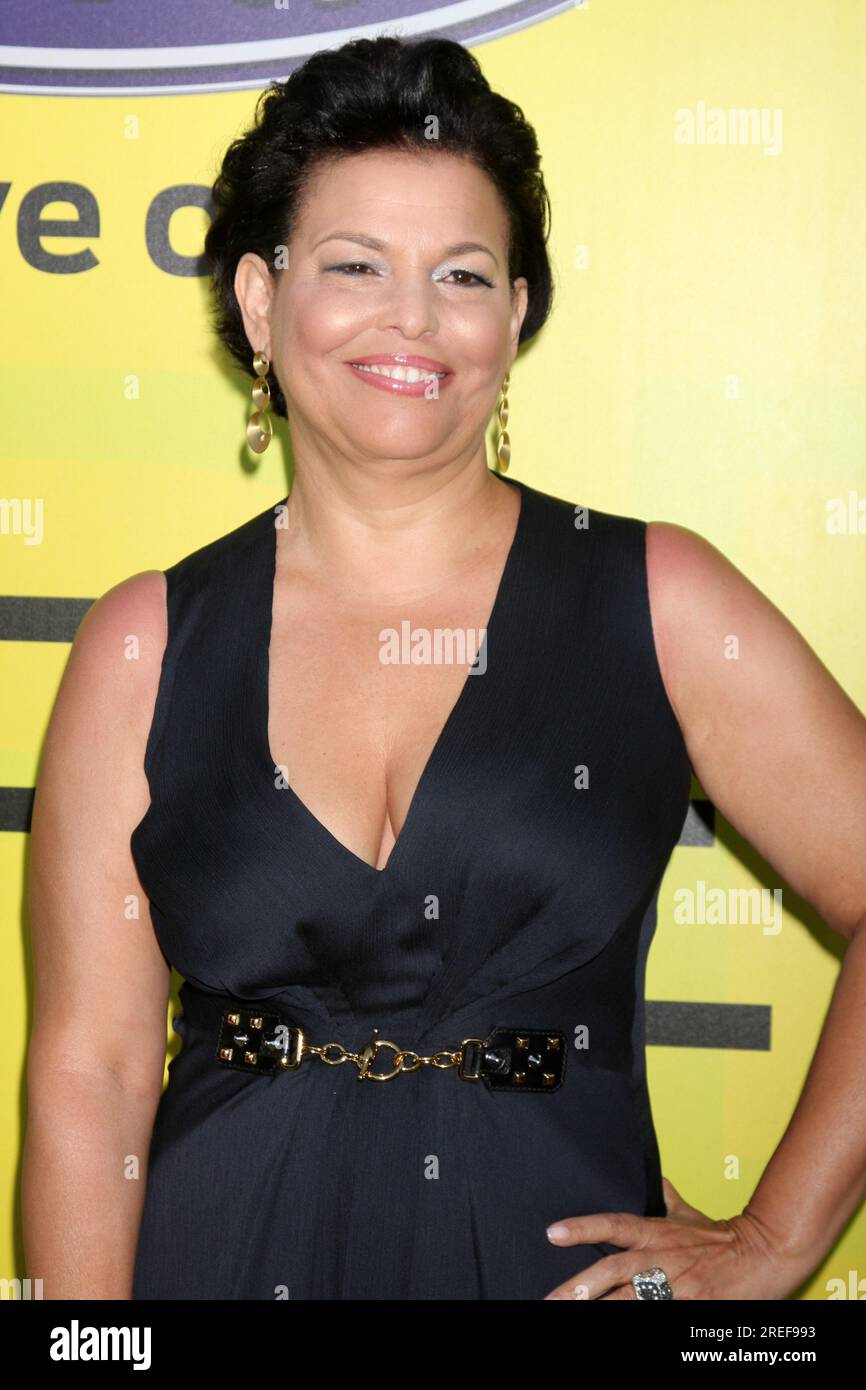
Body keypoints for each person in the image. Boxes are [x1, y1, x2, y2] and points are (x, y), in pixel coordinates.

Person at [22, 35, 866, 1302]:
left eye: (461, 275)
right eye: (354, 265)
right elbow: (89, 1073)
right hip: (218, 1251)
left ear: (515, 313)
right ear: (261, 301)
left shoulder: (658, 599)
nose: (410, 317)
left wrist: (775, 1241)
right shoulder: (144, 645)